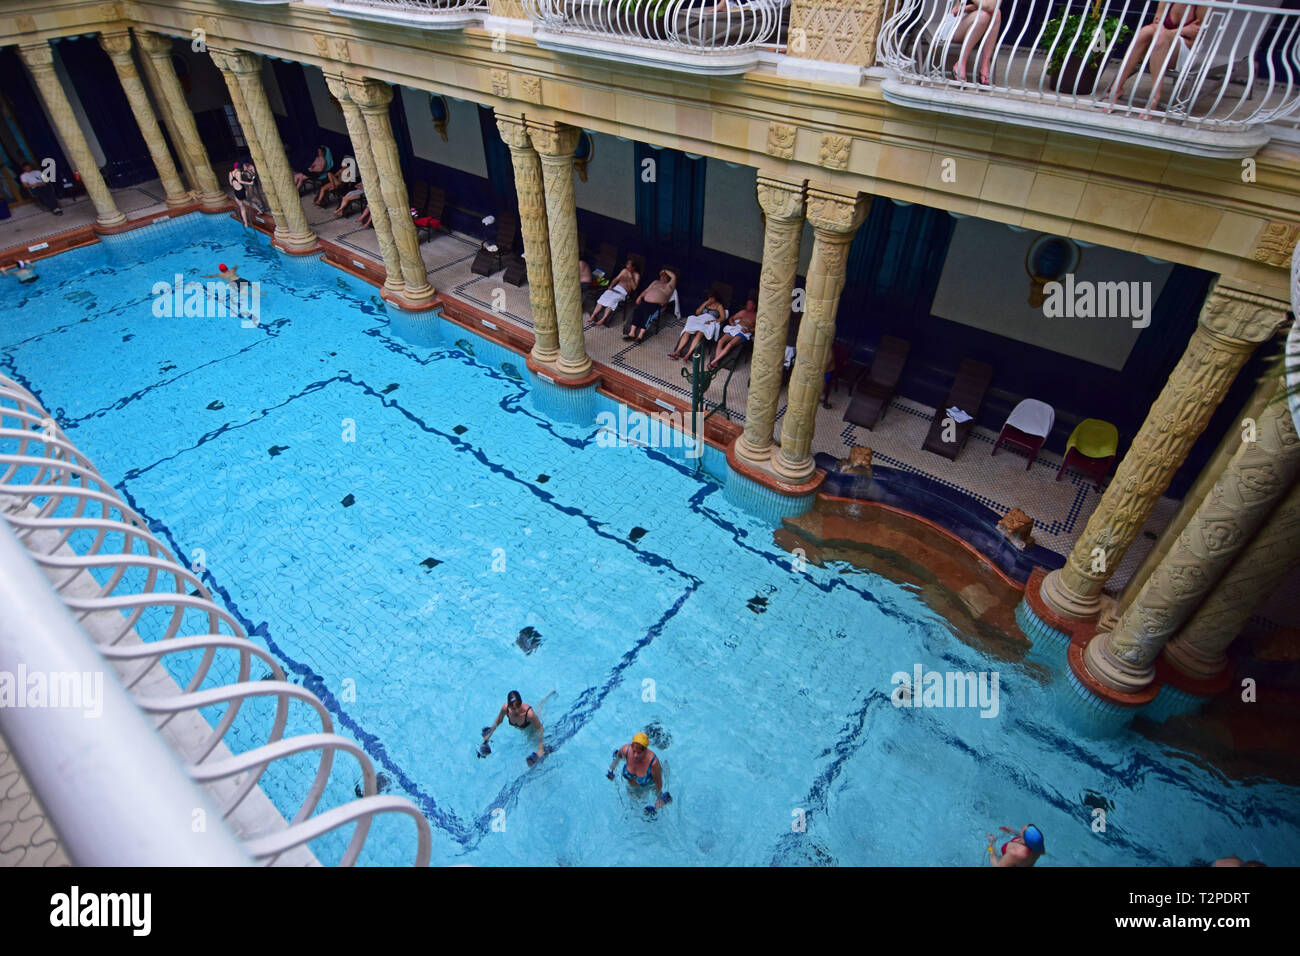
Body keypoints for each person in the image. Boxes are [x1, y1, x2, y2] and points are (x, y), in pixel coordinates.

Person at [1106, 4, 1208, 113]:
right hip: (1157, 45)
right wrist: (1181, 31)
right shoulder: (1165, 2)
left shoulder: (1203, 4)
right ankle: (1116, 89)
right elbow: (1156, 26)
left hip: (1185, 52)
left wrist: (1170, 33)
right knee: (1145, 32)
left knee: (1158, 35)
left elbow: (1194, 41)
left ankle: (1155, 96)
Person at [940, 0, 1002, 86]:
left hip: (978, 20)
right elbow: (988, 6)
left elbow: (993, 7)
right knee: (983, 15)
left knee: (996, 14)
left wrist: (971, 7)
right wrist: (971, 8)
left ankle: (985, 65)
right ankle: (961, 63)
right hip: (957, 21)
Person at [607, 732, 669, 811]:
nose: (635, 755)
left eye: (639, 752)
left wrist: (658, 799)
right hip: (630, 789)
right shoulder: (626, 750)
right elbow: (617, 758)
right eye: (634, 751)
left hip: (646, 789)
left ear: (645, 750)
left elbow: (659, 784)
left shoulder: (653, 763)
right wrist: (611, 770)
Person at [482, 690, 546, 762]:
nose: (517, 711)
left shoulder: (529, 714)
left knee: (535, 745)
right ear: (509, 706)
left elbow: (540, 728)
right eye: (513, 708)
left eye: (519, 706)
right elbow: (498, 721)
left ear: (521, 703)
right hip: (523, 728)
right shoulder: (505, 709)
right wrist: (489, 734)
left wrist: (540, 747)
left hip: (531, 729)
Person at [624, 267, 679, 342]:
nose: (661, 277)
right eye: (661, 275)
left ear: (668, 278)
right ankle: (631, 333)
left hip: (655, 305)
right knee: (637, 312)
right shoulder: (656, 282)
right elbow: (646, 290)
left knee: (647, 315)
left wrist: (664, 270)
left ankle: (640, 336)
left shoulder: (669, 286)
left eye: (664, 276)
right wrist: (640, 296)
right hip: (645, 302)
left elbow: (674, 276)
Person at [668, 291, 724, 360]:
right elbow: (697, 313)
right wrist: (705, 304)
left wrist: (712, 321)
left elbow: (723, 318)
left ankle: (688, 354)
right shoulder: (706, 303)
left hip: (709, 322)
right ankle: (677, 352)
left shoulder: (719, 306)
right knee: (687, 331)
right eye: (709, 297)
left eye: (712, 298)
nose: (710, 299)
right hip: (700, 319)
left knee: (700, 333)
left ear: (715, 298)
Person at [589, 258, 640, 328]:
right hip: (616, 288)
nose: (627, 266)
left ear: (634, 267)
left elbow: (634, 288)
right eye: (627, 264)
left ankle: (603, 319)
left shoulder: (636, 275)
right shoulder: (624, 270)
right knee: (603, 297)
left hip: (624, 292)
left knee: (611, 301)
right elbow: (616, 279)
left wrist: (630, 276)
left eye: (629, 265)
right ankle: (593, 315)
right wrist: (611, 285)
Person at [709, 294, 755, 370]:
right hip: (736, 328)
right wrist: (732, 323)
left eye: (749, 304)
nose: (747, 305)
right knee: (720, 341)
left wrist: (748, 330)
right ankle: (716, 363)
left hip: (744, 332)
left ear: (754, 306)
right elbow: (732, 318)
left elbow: (758, 329)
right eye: (747, 304)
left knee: (730, 344)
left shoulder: (756, 316)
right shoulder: (743, 312)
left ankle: (713, 362)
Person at [228, 162, 251, 228]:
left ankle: (245, 224)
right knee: (249, 201)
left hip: (236, 192)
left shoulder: (230, 173)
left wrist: (235, 184)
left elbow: (231, 184)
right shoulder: (238, 172)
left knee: (242, 208)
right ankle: (259, 210)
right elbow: (240, 181)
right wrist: (249, 183)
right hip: (241, 190)